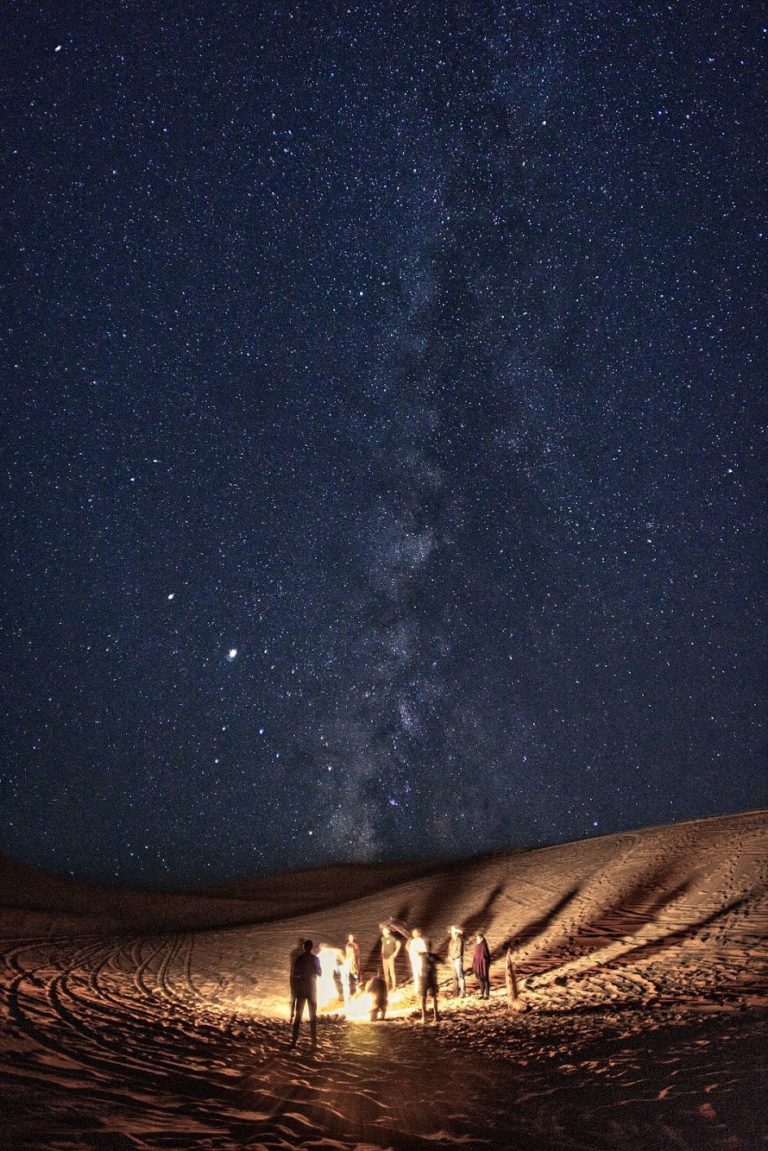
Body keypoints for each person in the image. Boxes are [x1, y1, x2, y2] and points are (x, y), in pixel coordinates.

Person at [290, 939, 322, 1049]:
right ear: (311, 948)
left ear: (304, 948)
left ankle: (294, 1041)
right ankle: (314, 1042)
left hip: (301, 989)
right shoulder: (315, 959)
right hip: (312, 990)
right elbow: (320, 973)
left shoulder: (299, 959)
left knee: (298, 1016)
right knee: (313, 1016)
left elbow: (295, 973)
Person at [419, 942, 441, 1023]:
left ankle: (424, 1017)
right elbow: (442, 961)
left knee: (423, 997)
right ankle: (436, 1016)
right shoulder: (433, 956)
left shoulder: (422, 955)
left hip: (424, 978)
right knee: (433, 997)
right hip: (431, 978)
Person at [288, 937, 305, 1022]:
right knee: (298, 997)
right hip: (298, 977)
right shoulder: (303, 953)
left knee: (294, 996)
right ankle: (294, 1015)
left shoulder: (294, 952)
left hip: (294, 976)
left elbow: (293, 965)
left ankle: (292, 1015)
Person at [380, 925, 402, 992]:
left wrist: (395, 953)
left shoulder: (392, 938)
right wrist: (382, 952)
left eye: (385, 930)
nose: (383, 931)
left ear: (388, 931)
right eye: (383, 930)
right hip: (384, 958)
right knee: (386, 973)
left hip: (390, 958)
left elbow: (399, 944)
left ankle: (394, 987)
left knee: (392, 972)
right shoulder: (383, 938)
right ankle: (387, 988)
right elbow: (383, 945)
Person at [472, 931, 492, 999]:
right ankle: (481, 993)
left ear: (481, 939)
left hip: (483, 964)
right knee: (480, 979)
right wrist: (474, 963)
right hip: (478, 964)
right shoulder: (477, 946)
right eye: (476, 938)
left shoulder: (483, 945)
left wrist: (484, 962)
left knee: (485, 978)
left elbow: (486, 956)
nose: (477, 940)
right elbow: (475, 955)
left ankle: (487, 994)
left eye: (478, 938)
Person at [447, 925, 466, 997]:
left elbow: (459, 951)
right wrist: (449, 956)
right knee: (454, 976)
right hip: (453, 960)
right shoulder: (451, 941)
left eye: (453, 933)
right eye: (452, 933)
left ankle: (462, 992)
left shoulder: (459, 940)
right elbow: (448, 950)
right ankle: (455, 993)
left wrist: (453, 957)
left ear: (456, 934)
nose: (452, 934)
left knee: (460, 975)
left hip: (458, 959)